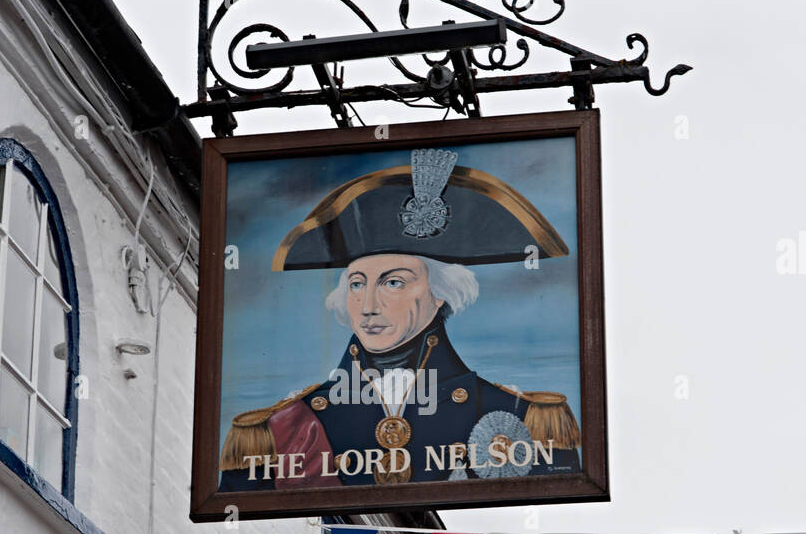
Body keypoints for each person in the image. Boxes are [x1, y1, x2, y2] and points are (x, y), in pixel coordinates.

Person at [219, 148, 581, 489]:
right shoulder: (285, 429)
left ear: (440, 292)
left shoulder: (521, 416)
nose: (368, 305)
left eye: (393, 282)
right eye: (357, 284)